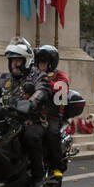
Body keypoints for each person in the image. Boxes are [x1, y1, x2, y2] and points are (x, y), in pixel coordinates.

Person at [0, 38, 52, 185]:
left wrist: (31, 102)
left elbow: (42, 91)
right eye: (11, 61)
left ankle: (38, 176)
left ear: (26, 61)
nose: (14, 64)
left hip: (31, 119)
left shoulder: (38, 76)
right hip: (9, 119)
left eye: (17, 61)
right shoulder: (5, 78)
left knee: (30, 136)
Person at [34, 44, 69, 177]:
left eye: (45, 61)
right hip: (32, 113)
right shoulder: (33, 73)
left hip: (51, 114)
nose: (41, 64)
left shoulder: (59, 75)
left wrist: (47, 82)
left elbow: (63, 88)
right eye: (40, 61)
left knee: (52, 134)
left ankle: (56, 166)